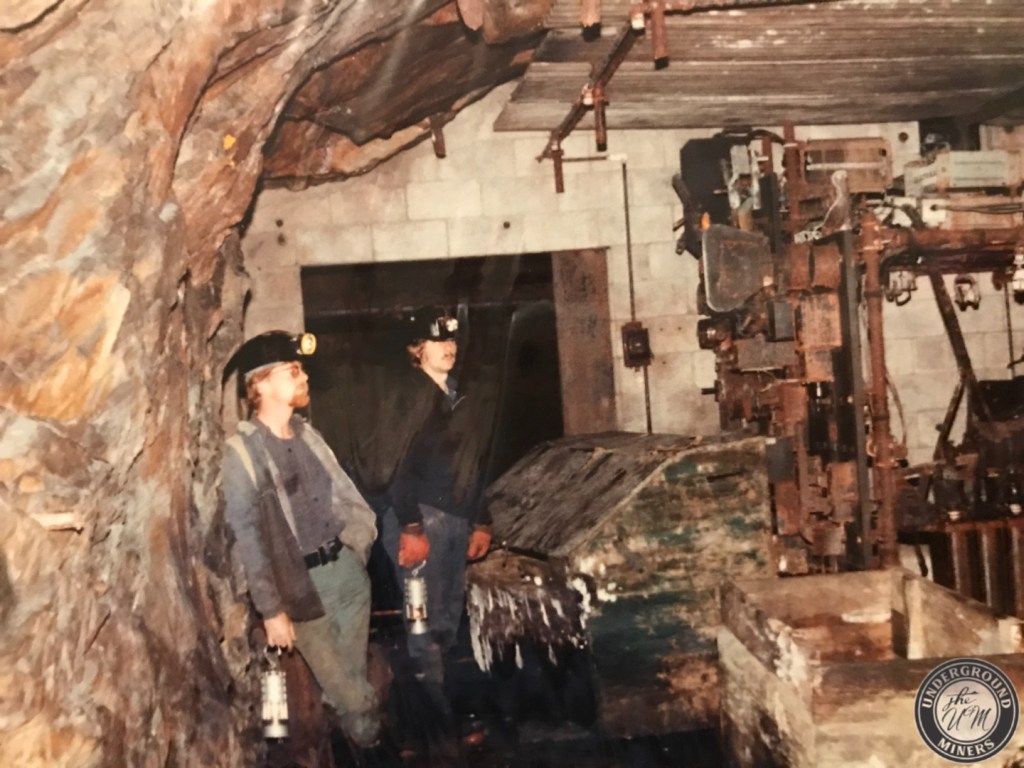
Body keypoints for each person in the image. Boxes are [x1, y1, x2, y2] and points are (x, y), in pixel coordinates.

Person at [221, 330, 380, 748]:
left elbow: (346, 495)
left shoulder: (310, 435)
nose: (304, 377)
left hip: (347, 575)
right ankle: (368, 733)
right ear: (260, 384)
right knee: (352, 694)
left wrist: (356, 549)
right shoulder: (241, 454)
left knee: (346, 678)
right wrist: (271, 609)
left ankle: (347, 736)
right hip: (299, 587)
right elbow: (248, 539)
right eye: (293, 370)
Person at [378, 309, 492, 708]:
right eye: (438, 341)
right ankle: (431, 715)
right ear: (417, 350)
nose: (449, 347)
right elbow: (391, 467)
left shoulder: (456, 393)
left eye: (452, 340)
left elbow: (474, 462)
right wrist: (411, 528)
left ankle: (449, 706)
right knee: (422, 625)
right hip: (420, 519)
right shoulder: (404, 396)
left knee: (447, 621)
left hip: (455, 520)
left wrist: (482, 520)